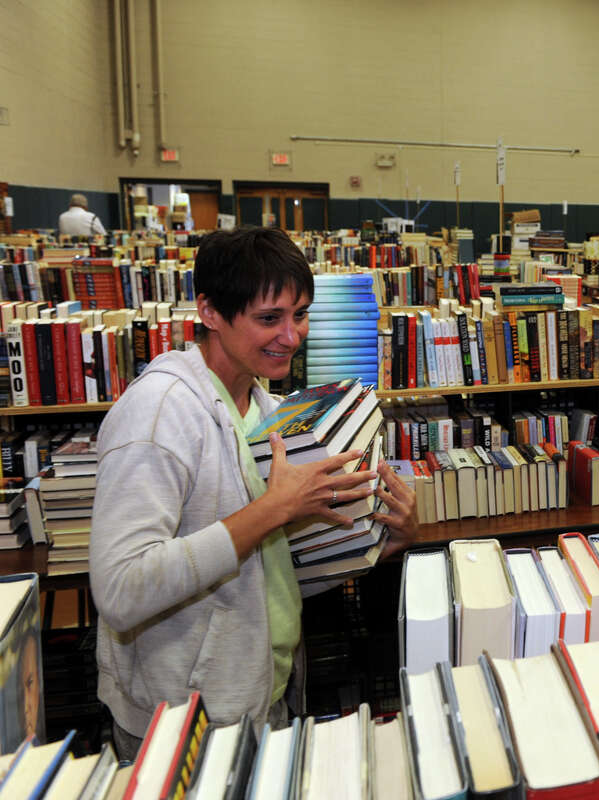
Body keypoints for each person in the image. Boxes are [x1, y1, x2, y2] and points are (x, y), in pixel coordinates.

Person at [89, 227, 418, 760]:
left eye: (301, 314)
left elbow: (268, 573)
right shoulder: (158, 414)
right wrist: (272, 510)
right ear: (211, 312)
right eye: (269, 319)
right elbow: (122, 590)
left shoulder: (268, 413)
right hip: (181, 722)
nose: (291, 336)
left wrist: (379, 542)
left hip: (266, 693)